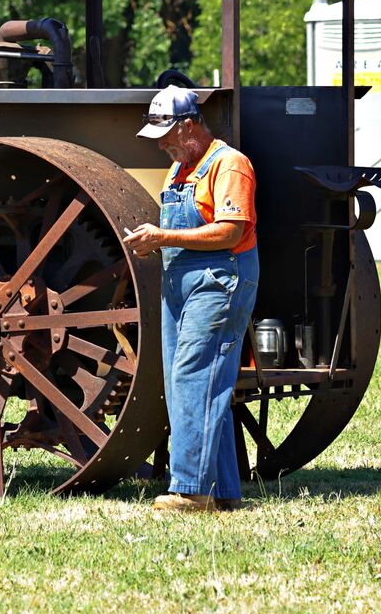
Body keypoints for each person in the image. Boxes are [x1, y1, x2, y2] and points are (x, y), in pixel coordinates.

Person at [122, 76, 258, 513]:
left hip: (219, 280)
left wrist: (161, 235)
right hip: (182, 285)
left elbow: (231, 230)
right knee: (191, 383)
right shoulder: (180, 168)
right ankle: (222, 493)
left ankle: (189, 490)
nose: (162, 146)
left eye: (166, 137)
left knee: (194, 378)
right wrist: (156, 242)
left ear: (188, 126)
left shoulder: (229, 164)